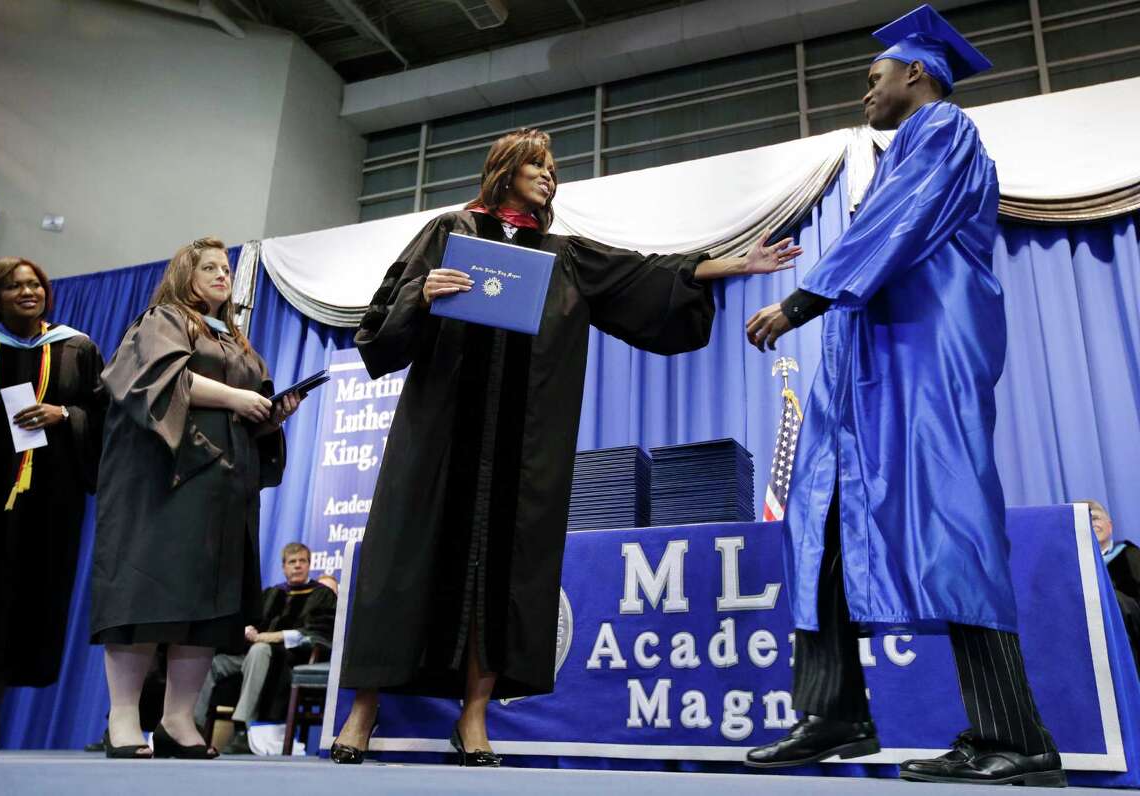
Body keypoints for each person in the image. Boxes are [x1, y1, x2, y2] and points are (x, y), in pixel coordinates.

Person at [331, 127, 801, 767]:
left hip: (524, 447)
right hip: (440, 434)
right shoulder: (450, 232)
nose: (550, 175)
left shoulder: (564, 257)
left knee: (505, 573)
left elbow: (646, 276)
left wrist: (735, 265)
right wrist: (425, 294)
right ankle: (363, 711)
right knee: (406, 562)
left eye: (553, 167)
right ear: (504, 169)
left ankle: (474, 719)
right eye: (538, 164)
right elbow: (382, 326)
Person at [742, 5, 1065, 787]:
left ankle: (1015, 736)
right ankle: (834, 715)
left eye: (873, 77)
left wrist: (801, 301)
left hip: (925, 361)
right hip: (869, 366)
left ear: (916, 73)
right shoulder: (897, 153)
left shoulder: (944, 130)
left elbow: (897, 224)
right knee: (819, 520)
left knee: (952, 530)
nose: (865, 92)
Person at [90, 237, 300, 759]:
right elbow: (152, 380)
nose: (222, 275)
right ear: (185, 274)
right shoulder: (164, 318)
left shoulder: (236, 338)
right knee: (148, 594)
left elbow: (248, 405)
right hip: (166, 480)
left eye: (226, 268)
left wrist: (271, 414)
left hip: (224, 485)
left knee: (207, 601)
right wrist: (238, 397)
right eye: (210, 267)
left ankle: (179, 719)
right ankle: (124, 719)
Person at [0, 257, 104, 756]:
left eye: (35, 284)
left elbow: (102, 416)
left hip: (45, 500)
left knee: (19, 597)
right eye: (15, 286)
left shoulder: (76, 348)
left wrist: (64, 413)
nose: (28, 292)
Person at [194, 542, 337, 754]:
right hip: (252, 655)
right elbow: (252, 625)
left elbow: (319, 633)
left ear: (309, 564)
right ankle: (192, 727)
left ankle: (243, 729)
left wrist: (272, 637)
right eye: (292, 562)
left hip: (290, 662)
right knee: (213, 663)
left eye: (302, 561)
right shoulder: (271, 593)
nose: (297, 566)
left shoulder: (323, 595)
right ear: (284, 567)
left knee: (259, 651)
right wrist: (247, 630)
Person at [1087, 500, 1140, 676]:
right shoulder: (1072, 567)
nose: (1092, 524)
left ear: (1109, 526)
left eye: (1096, 518)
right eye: (1086, 520)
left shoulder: (1132, 556)